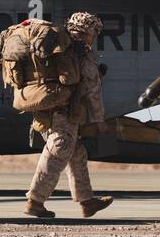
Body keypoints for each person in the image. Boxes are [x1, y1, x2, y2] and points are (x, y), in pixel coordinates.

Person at [23, 12, 115, 219]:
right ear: (87, 32)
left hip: (47, 108)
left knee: (77, 153)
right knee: (58, 152)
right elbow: (93, 90)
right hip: (65, 112)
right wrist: (99, 121)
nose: (93, 38)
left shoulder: (56, 46)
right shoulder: (79, 52)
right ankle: (35, 201)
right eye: (93, 33)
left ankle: (86, 201)